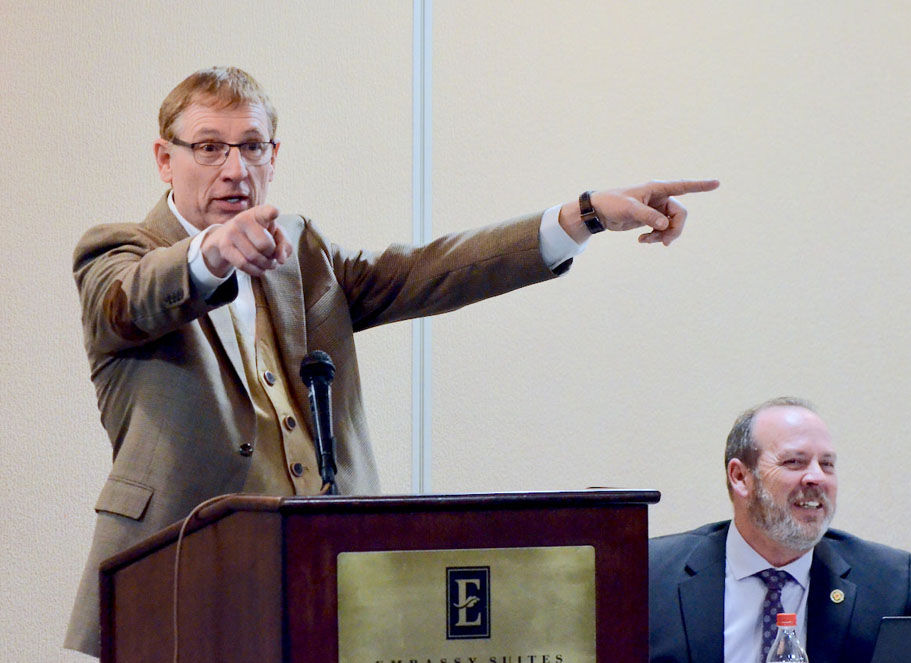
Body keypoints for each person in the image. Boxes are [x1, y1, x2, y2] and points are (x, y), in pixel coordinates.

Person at [64, 66, 719, 657]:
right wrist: (209, 254)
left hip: (320, 585)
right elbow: (132, 298)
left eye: (251, 145)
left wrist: (583, 216)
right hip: (175, 592)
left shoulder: (299, 250)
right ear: (164, 158)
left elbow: (425, 270)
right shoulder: (118, 252)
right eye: (209, 146)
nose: (234, 167)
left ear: (274, 155)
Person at [648, 397, 911, 663]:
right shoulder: (652, 575)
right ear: (740, 477)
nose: (816, 478)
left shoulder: (890, 582)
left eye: (827, 465)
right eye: (794, 462)